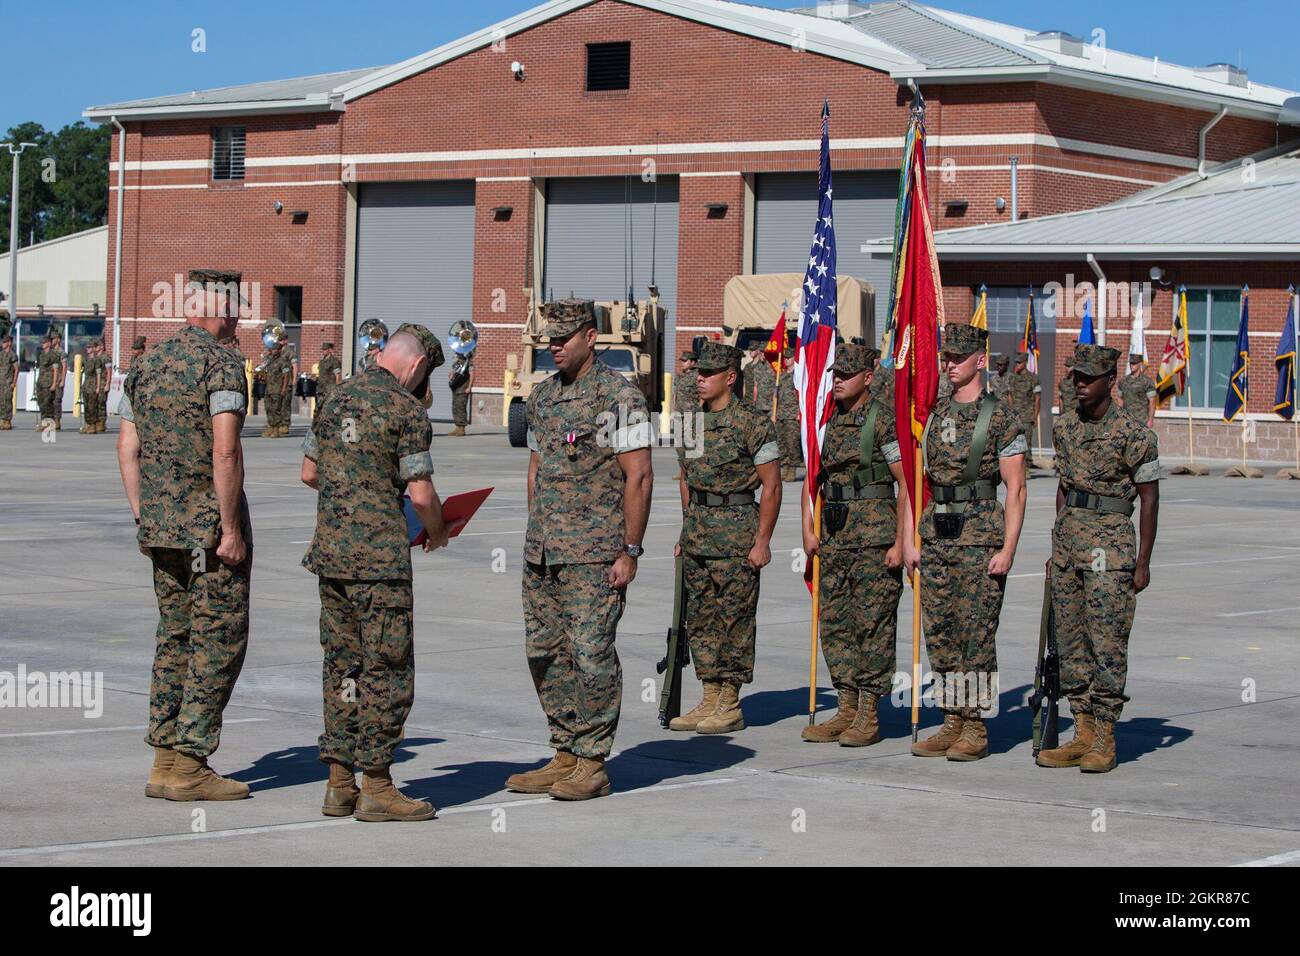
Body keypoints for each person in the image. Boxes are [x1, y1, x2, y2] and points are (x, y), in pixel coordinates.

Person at [302, 323, 449, 821]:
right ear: (416, 365)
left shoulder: (336, 398)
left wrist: (352, 488)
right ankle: (379, 786)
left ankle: (339, 783)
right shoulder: (405, 409)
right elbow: (422, 494)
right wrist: (439, 529)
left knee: (342, 668)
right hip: (380, 565)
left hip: (331, 557)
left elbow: (309, 473)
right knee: (386, 670)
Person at [506, 299, 653, 800]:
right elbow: (536, 469)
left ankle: (592, 760)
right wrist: (534, 535)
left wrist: (630, 549)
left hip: (595, 554)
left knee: (592, 655)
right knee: (545, 652)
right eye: (550, 338)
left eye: (563, 338)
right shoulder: (543, 397)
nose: (554, 346)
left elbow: (640, 475)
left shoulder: (620, 396)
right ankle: (564, 750)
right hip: (543, 552)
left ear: (591, 338)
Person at [116, 270, 253, 801]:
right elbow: (226, 450)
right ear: (219, 313)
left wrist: (142, 514)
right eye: (236, 314)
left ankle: (164, 758)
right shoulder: (220, 366)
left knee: (174, 638)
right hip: (208, 534)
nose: (238, 324)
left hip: (162, 531)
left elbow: (128, 449)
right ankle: (191, 763)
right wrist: (231, 528)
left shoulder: (145, 365)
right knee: (218, 641)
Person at [903, 322, 1027, 761]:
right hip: (936, 536)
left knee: (976, 636)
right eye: (945, 358)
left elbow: (1016, 489)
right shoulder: (935, 414)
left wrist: (1008, 549)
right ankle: (951, 718)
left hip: (979, 541)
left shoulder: (1001, 416)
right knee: (941, 634)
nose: (949, 365)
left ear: (980, 360)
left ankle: (975, 726)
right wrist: (909, 540)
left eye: (958, 358)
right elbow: (917, 482)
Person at [1041, 344, 1160, 773]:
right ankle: (1083, 730)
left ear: (1111, 381)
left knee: (1106, 641)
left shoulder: (1134, 435)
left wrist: (1143, 561)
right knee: (1071, 641)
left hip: (1110, 548)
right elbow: (1063, 486)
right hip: (1070, 545)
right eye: (1075, 376)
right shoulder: (1066, 428)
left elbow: (1150, 498)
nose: (1079, 384)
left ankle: (1105, 734)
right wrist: (1057, 543)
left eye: (1087, 378)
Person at [670, 341, 781, 735]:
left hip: (736, 533)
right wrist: (685, 528)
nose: (699, 380)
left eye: (708, 374)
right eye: (697, 373)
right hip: (699, 532)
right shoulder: (690, 422)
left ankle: (730, 700)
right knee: (701, 619)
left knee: (734, 618)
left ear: (730, 378)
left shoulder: (754, 423)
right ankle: (709, 694)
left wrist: (762, 540)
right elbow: (685, 478)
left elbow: (770, 486)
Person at [801, 344, 906, 746]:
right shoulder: (827, 419)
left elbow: (906, 484)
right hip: (835, 539)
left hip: (874, 541)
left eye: (847, 374)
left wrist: (900, 541)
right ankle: (845, 705)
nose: (838, 380)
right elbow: (814, 479)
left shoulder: (882, 419)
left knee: (872, 625)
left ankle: (868, 710)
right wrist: (808, 529)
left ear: (868, 376)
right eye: (835, 374)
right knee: (836, 623)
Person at [775, 344, 803, 482]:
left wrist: (799, 412)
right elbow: (777, 395)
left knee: (792, 442)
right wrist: (774, 413)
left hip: (792, 414)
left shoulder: (798, 375)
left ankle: (792, 468)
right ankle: (785, 466)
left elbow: (801, 396)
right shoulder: (781, 376)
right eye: (785, 358)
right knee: (782, 442)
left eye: (789, 357)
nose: (786, 360)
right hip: (781, 413)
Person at [1118, 353, 1157, 428]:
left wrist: (1150, 419)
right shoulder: (1123, 381)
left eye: (1134, 363)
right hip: (1126, 420)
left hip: (1142, 420)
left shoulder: (1147, 382)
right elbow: (1120, 398)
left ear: (1140, 364)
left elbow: (1152, 402)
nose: (1131, 365)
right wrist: (1120, 416)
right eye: (1131, 363)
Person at [742, 345, 776, 416]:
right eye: (761, 352)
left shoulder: (774, 368)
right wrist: (754, 401)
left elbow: (777, 388)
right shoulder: (757, 368)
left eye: (764, 353)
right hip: (759, 404)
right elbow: (755, 386)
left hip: (771, 405)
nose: (762, 355)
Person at [448, 344, 474, 437]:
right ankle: (457, 427)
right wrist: (451, 375)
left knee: (461, 408)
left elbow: (472, 374)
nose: (455, 353)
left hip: (463, 388)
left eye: (457, 352)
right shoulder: (456, 363)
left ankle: (462, 429)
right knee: (455, 407)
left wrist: (469, 387)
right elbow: (452, 373)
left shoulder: (468, 362)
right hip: (456, 388)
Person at [315, 342, 341, 420]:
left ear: (329, 350)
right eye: (322, 350)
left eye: (325, 349)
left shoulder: (334, 361)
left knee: (329, 408)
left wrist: (337, 388)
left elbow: (338, 375)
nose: (323, 351)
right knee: (319, 408)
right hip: (320, 388)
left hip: (330, 388)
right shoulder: (321, 362)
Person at [673, 349, 699, 414]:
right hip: (678, 411)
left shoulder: (698, 376)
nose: (682, 363)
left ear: (693, 362)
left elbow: (703, 396)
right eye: (682, 361)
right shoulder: (680, 376)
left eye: (685, 361)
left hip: (692, 413)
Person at [0, 336, 16, 429]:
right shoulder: (1, 354)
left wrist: (14, 382)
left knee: (8, 401)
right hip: (1, 381)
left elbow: (16, 369)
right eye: (3, 342)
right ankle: (2, 419)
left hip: (8, 382)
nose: (3, 344)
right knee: (1, 401)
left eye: (5, 342)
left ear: (9, 343)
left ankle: (7, 421)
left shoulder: (12, 355)